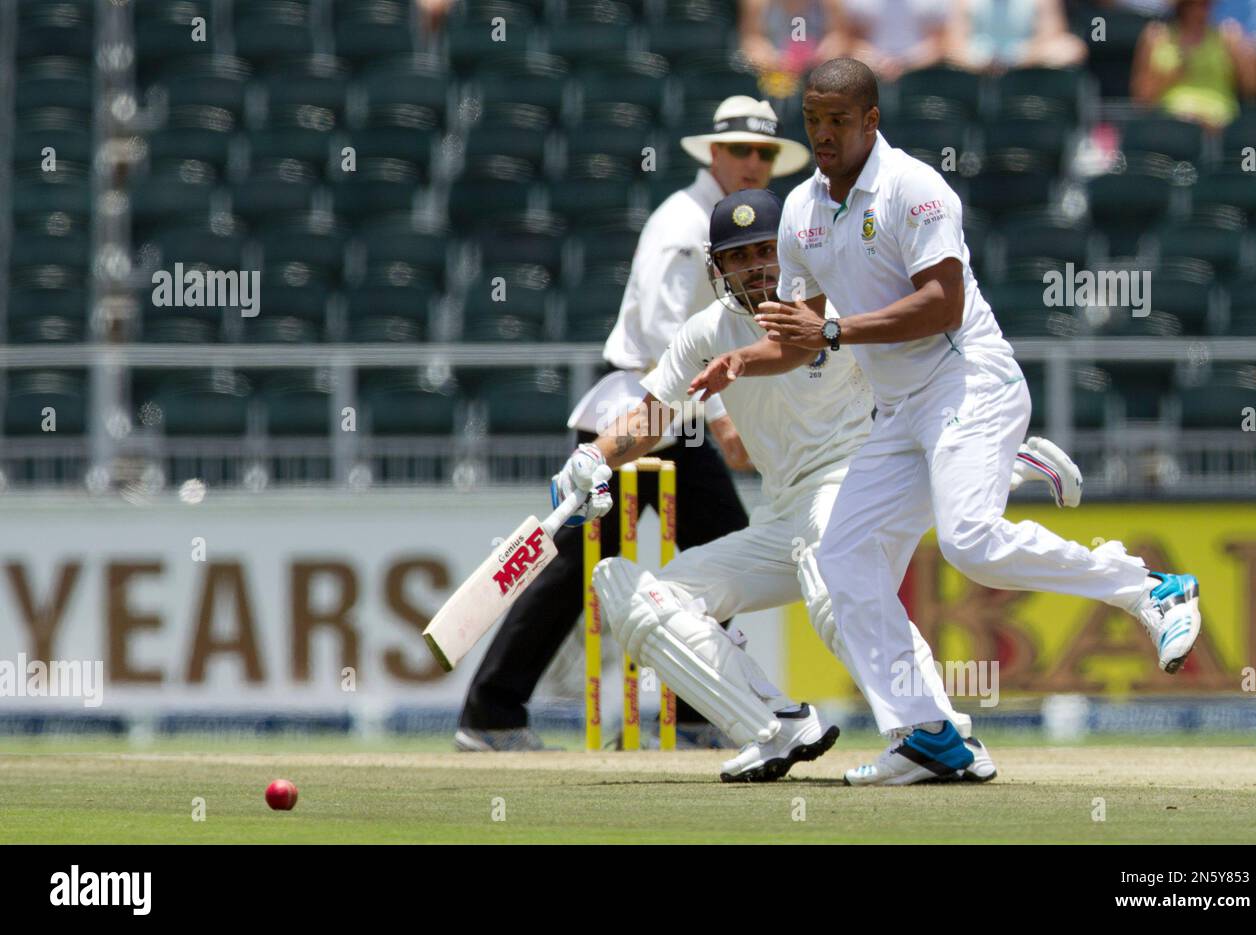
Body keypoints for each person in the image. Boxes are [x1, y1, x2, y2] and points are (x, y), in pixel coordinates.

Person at [691, 58, 1202, 785]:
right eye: (812, 120)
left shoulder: (916, 189)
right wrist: (744, 363)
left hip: (969, 381)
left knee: (970, 543)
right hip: (900, 410)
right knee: (841, 560)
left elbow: (941, 305)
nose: (824, 134)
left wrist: (833, 334)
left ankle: (1149, 587)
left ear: (871, 120)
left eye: (838, 120)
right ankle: (930, 733)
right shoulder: (801, 212)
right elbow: (799, 334)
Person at [551, 188, 1083, 782]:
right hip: (781, 512)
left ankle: (938, 730)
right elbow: (653, 414)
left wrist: (982, 440)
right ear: (717, 267)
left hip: (852, 484)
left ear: (789, 248)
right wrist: (593, 457)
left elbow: (936, 361)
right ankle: (776, 725)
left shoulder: (840, 310)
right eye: (737, 256)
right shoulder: (706, 333)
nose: (753, 265)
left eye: (763, 250)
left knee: (832, 577)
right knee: (637, 596)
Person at [453, 98, 811, 752]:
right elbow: (664, 342)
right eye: (741, 150)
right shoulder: (682, 227)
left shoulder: (745, 224)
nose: (754, 164)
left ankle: (696, 710)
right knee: (575, 567)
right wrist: (724, 416)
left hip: (686, 418)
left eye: (764, 153)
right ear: (713, 153)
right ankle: (491, 712)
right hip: (639, 409)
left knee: (720, 554)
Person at [1130, 0, 1256, 130]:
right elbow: (1142, 99)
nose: (1203, 9)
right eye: (1195, 3)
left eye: (1206, 3)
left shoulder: (1229, 35)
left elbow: (1253, 89)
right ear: (1182, 6)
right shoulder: (1156, 36)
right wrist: (1170, 76)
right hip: (1171, 125)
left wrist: (1243, 50)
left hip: (1221, 125)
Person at [946, 0, 1087, 73]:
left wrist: (1016, 58)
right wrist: (983, 60)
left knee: (1070, 48)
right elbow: (953, 42)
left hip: (1027, 60)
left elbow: (1053, 35)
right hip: (977, 64)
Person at [841, 0, 949, 82]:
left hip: (922, 77)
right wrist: (876, 61)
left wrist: (907, 62)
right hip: (871, 76)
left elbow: (942, 41)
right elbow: (848, 39)